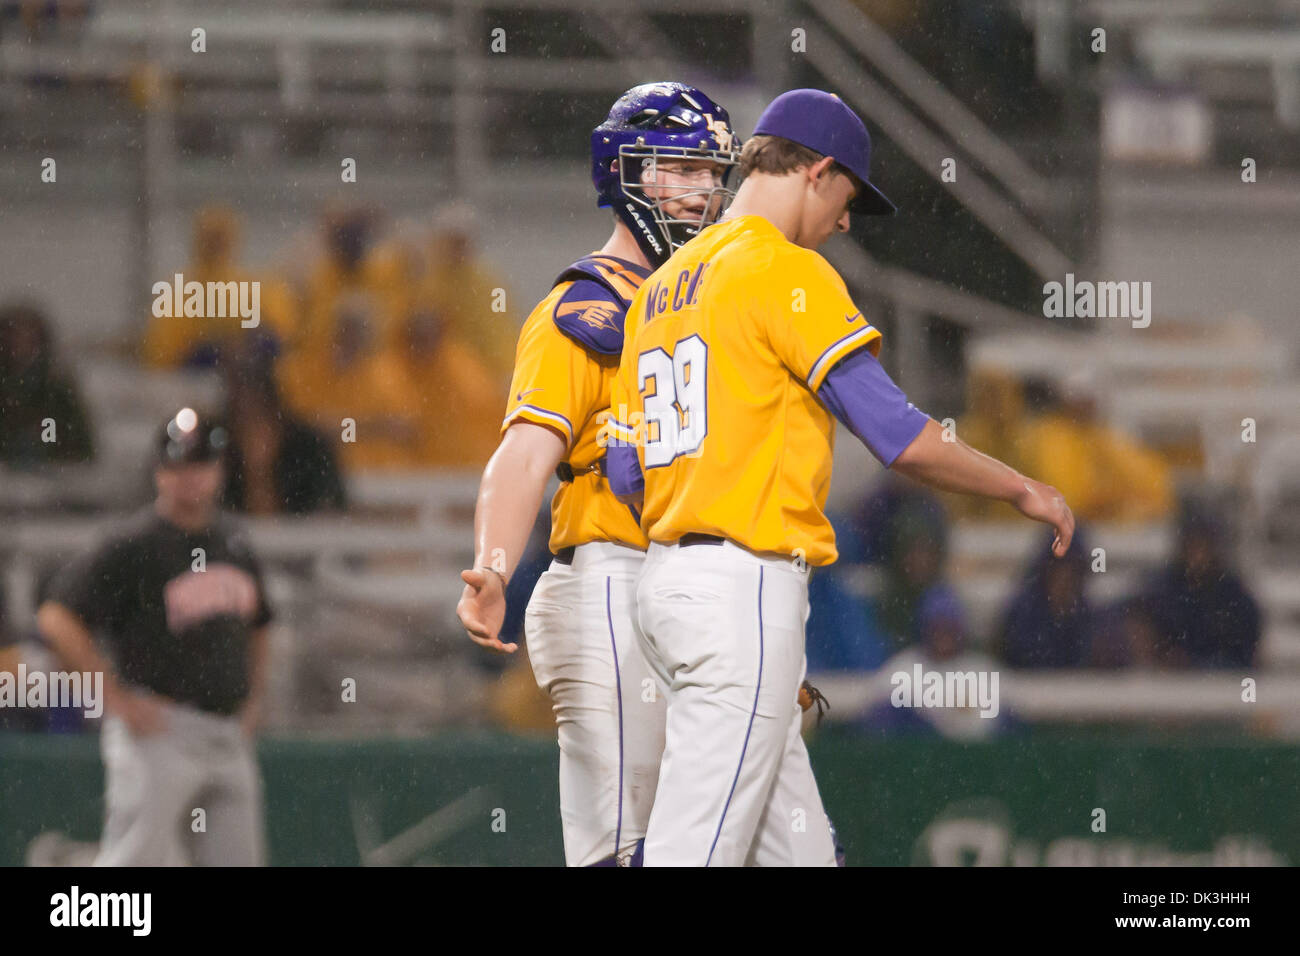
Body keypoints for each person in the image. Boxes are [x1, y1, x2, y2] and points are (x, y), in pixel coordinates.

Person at [607, 88, 1074, 866]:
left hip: (668, 586)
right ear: (817, 171)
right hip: (741, 590)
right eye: (849, 197)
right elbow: (897, 436)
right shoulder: (786, 271)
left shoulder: (660, 286)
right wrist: (1023, 488)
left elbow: (625, 471)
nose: (847, 221)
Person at [455, 82, 741, 867]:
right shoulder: (583, 309)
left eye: (711, 174)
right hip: (610, 582)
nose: (705, 191)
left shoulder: (700, 304)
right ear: (631, 172)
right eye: (684, 169)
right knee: (630, 848)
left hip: (686, 589)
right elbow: (525, 451)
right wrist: (492, 566)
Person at [36, 408, 273, 866]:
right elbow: (56, 617)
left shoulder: (234, 542)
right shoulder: (134, 544)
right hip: (160, 733)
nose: (190, 476)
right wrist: (114, 697)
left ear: (218, 470)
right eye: (179, 465)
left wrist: (254, 699)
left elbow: (261, 626)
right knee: (135, 864)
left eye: (201, 464)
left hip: (226, 734)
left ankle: (73, 862)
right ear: (160, 471)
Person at [218, 334, 347, 515]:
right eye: (245, 420)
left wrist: (263, 473)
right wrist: (255, 473)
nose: (255, 433)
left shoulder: (311, 449)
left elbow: (329, 511)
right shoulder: (219, 450)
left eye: (260, 418)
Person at [1136, 497, 1261, 668]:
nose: (1198, 555)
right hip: (1174, 682)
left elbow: (1247, 643)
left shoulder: (1232, 592)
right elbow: (1149, 633)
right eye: (1193, 546)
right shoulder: (1163, 589)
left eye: (1203, 547)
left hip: (1225, 676)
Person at [0, 301, 94, 468]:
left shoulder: (56, 388)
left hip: (51, 476)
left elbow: (81, 447)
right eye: (13, 335)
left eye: (28, 337)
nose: (20, 344)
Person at [994, 526, 1094, 669]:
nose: (1066, 579)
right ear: (1047, 569)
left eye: (1074, 571)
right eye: (1060, 568)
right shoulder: (1024, 612)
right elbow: (1022, 657)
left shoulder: (1084, 613)